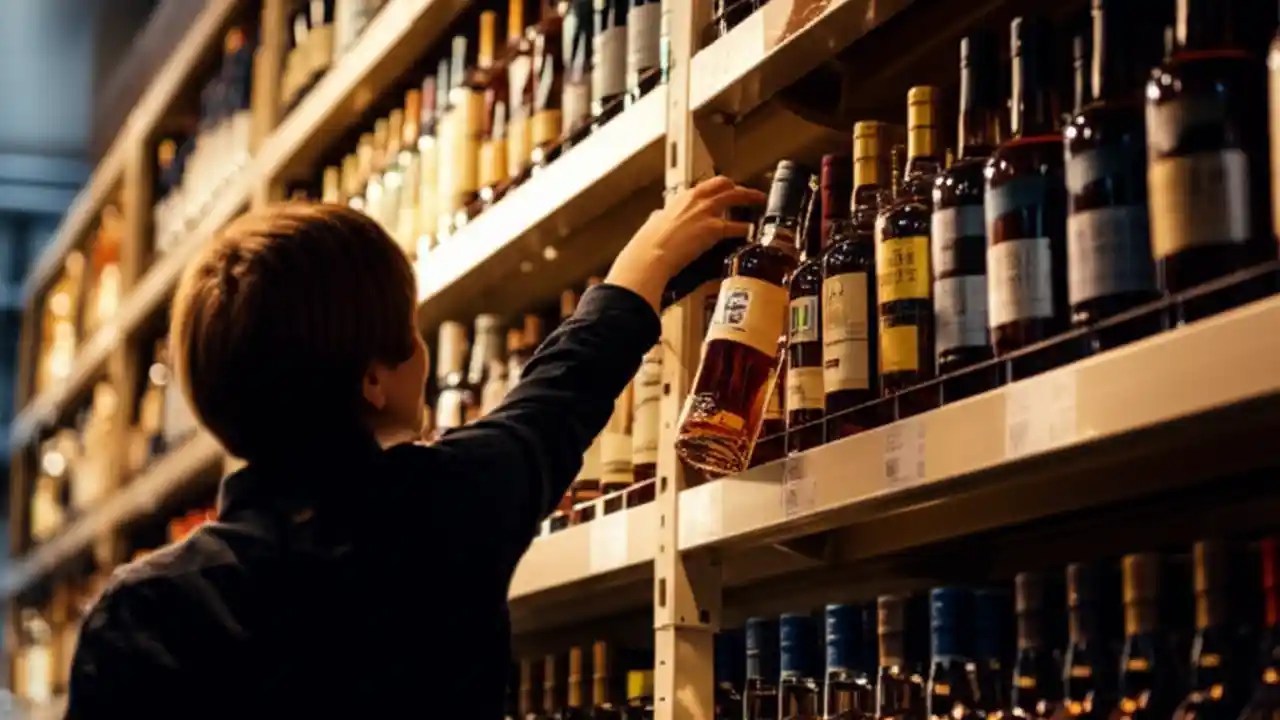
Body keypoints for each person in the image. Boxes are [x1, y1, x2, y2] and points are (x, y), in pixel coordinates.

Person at [64, 177, 764, 717]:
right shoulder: (444, 512)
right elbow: (558, 396)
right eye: (412, 327)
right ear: (374, 378)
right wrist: (641, 269)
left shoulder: (142, 610)